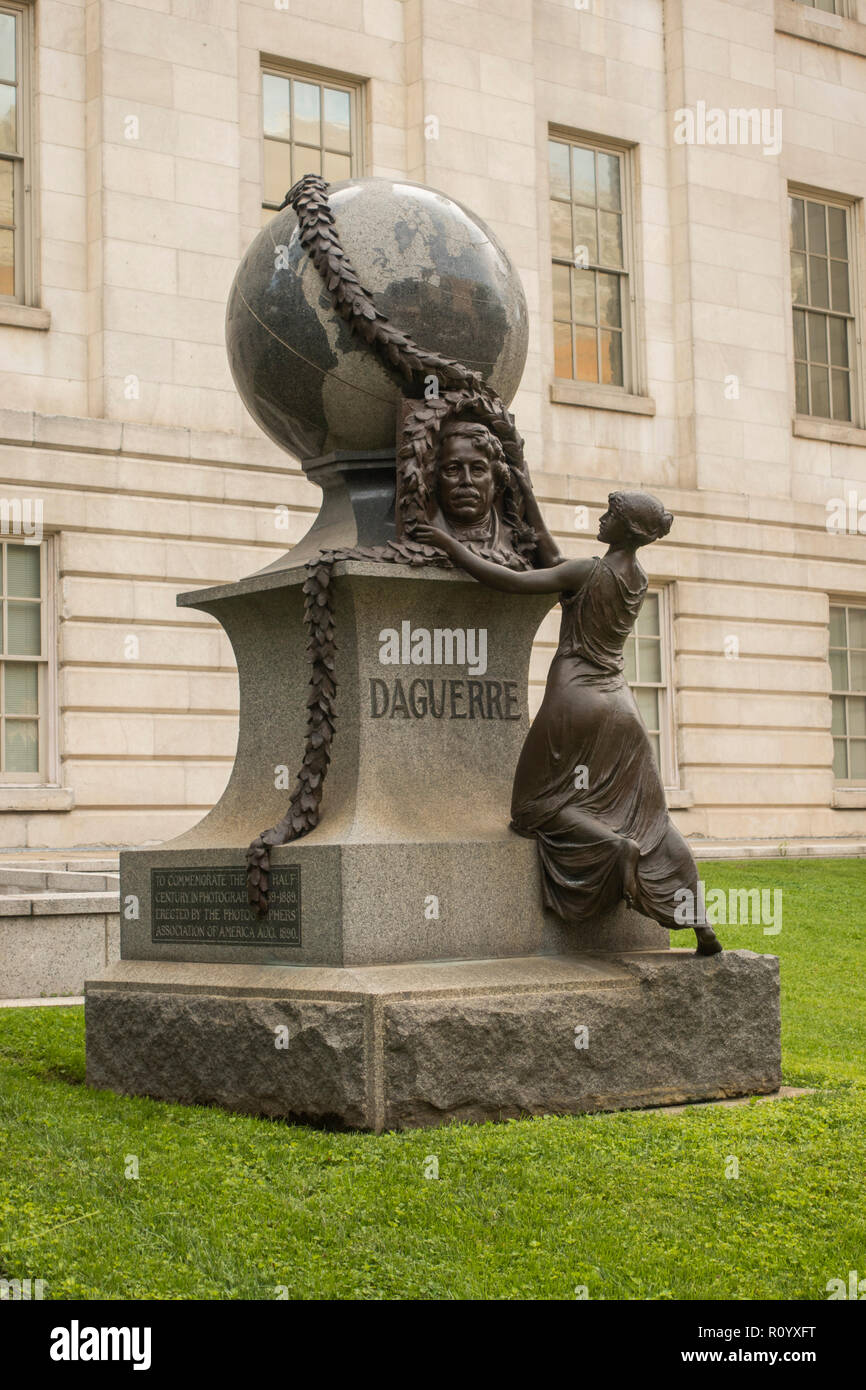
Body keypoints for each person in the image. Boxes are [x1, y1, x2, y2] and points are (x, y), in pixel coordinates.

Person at [412, 490, 722, 955]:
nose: (600, 518)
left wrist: (449, 545)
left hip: (574, 701)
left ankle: (615, 850)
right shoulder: (636, 577)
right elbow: (556, 558)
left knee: (532, 808)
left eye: (610, 515)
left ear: (628, 530)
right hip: (621, 708)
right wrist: (525, 487)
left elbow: (512, 582)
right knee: (649, 817)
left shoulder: (587, 572)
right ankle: (700, 924)